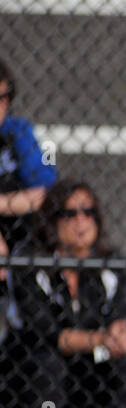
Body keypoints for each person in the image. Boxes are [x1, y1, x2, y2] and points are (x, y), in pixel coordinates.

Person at [0, 180, 126, 408]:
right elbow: (48, 335)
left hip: (80, 388)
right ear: (51, 220)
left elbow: (119, 314)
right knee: (48, 362)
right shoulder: (29, 261)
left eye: (88, 213)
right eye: (70, 214)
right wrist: (100, 338)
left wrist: (117, 333)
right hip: (25, 393)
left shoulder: (108, 265)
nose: (82, 222)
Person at [0, 58, 58, 268]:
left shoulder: (17, 131)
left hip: (18, 236)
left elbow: (46, 193)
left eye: (5, 98)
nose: (2, 106)